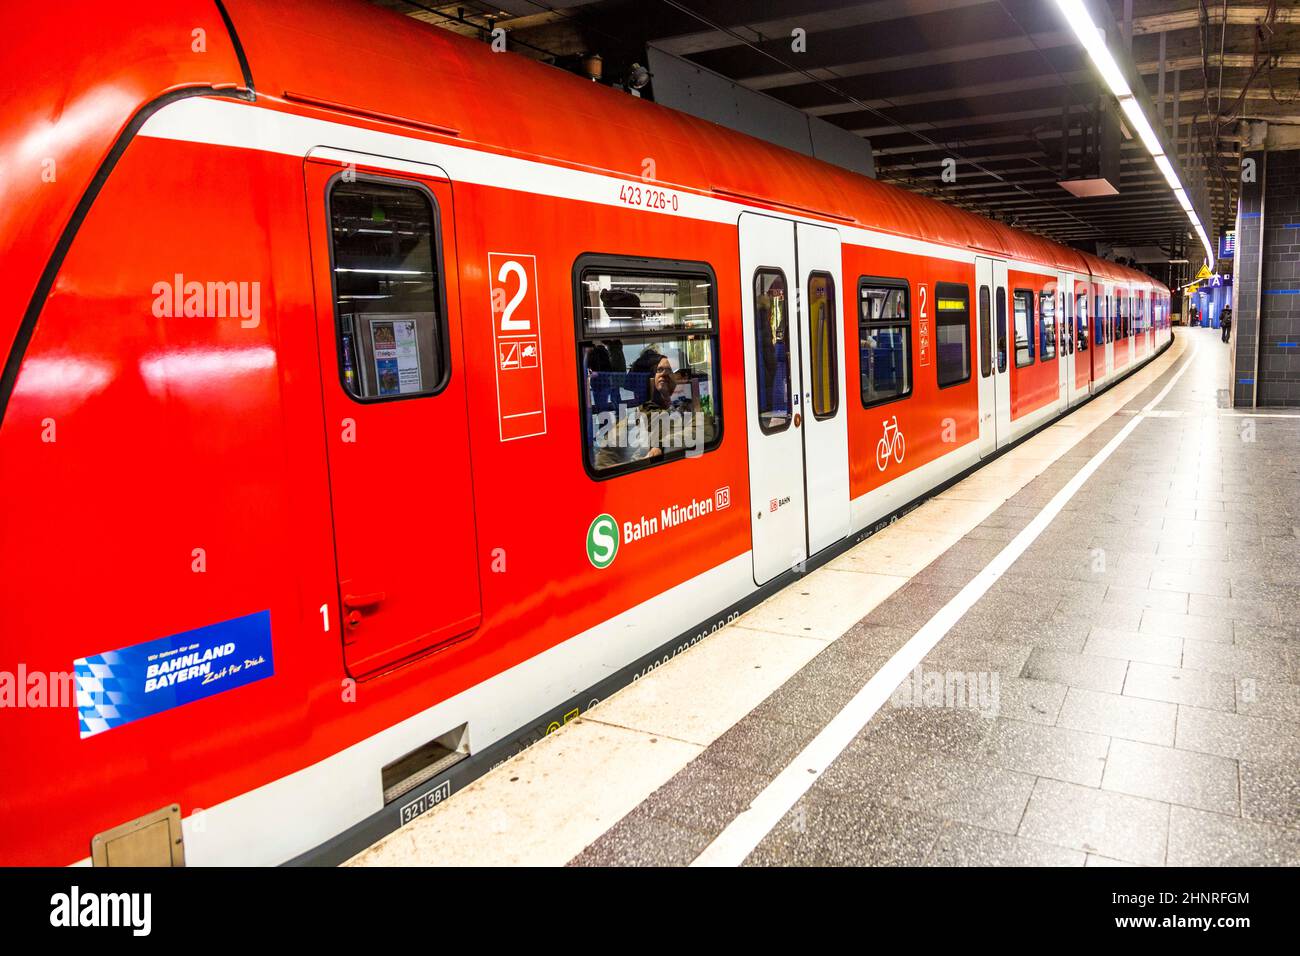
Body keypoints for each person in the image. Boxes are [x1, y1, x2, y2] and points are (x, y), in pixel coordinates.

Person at [592, 347, 713, 470]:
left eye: (670, 370)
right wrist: (635, 466)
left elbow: (706, 430)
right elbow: (602, 464)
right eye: (659, 370)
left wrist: (661, 445)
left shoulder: (680, 412)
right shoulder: (629, 424)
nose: (667, 375)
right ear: (647, 381)